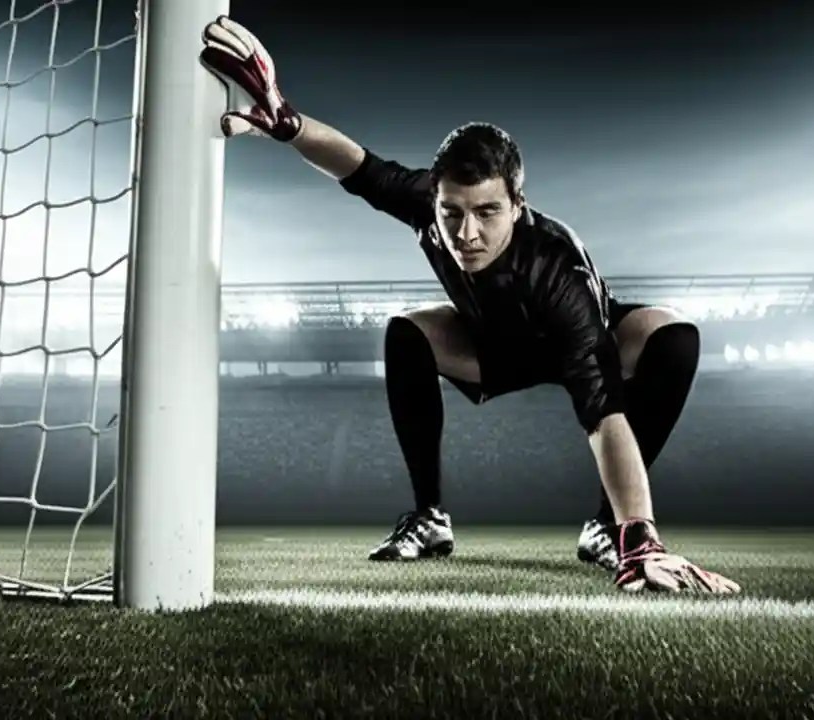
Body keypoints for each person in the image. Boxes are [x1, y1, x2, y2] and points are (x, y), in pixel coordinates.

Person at [200, 16, 739, 594]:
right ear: (434, 197)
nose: (467, 233)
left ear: (517, 205)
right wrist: (289, 123)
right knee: (405, 332)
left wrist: (641, 536)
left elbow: (605, 413)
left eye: (486, 212)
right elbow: (359, 167)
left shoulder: (558, 273)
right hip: (494, 347)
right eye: (452, 212)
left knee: (674, 336)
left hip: (576, 338)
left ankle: (609, 528)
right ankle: (429, 518)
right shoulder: (430, 206)